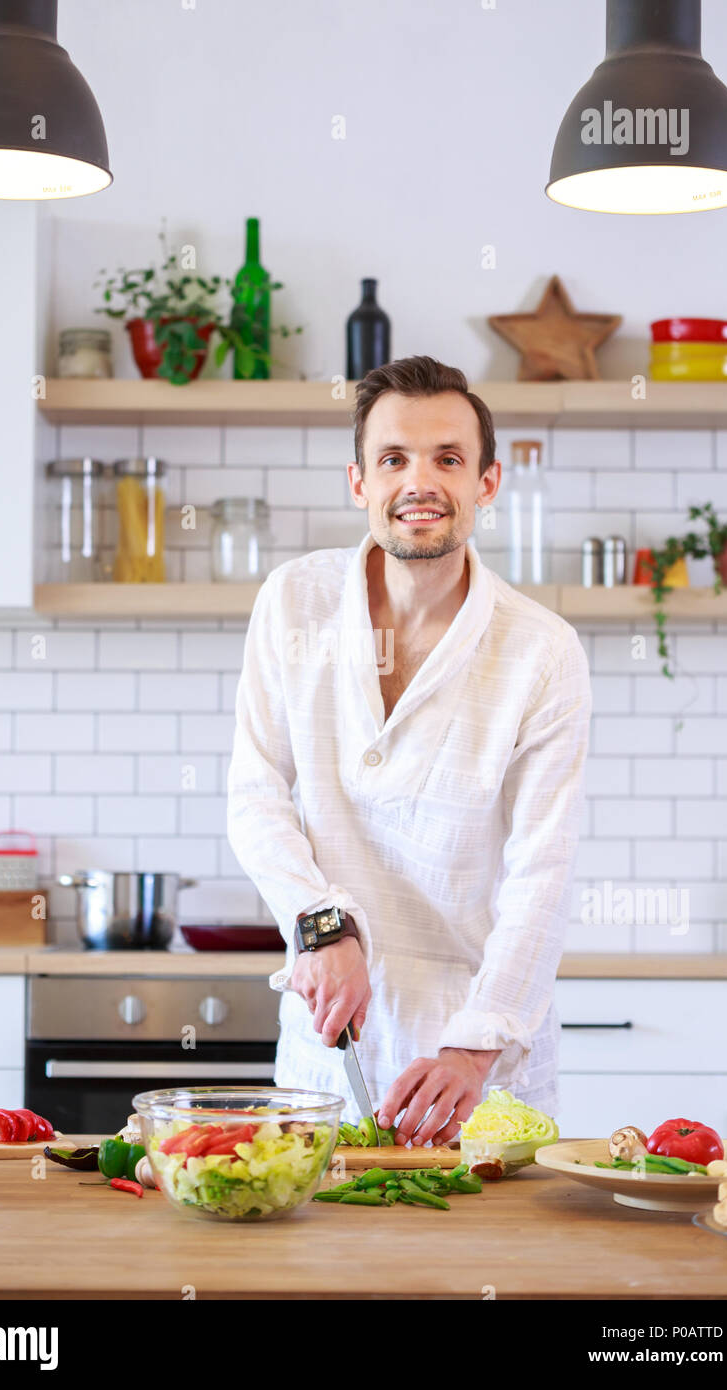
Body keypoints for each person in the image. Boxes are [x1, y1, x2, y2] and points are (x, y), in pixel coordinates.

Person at [226, 355, 591, 1145]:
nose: (419, 482)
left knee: (487, 1267)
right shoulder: (295, 601)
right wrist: (323, 927)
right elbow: (255, 796)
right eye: (393, 458)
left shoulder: (542, 651)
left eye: (447, 459)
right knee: (318, 1262)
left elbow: (542, 873)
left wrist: (474, 1045)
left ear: (487, 483)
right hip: (329, 1054)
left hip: (479, 1068)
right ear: (359, 482)